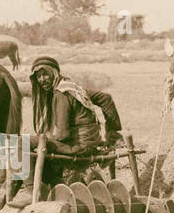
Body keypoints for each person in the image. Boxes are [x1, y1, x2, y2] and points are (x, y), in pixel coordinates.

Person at [28, 55, 115, 184]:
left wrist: (46, 142)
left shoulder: (60, 94)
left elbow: (63, 135)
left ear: (54, 72)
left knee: (21, 142)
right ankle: (54, 182)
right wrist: (113, 132)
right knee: (38, 141)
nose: (42, 80)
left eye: (45, 74)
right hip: (91, 144)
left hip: (77, 147)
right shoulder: (72, 87)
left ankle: (28, 188)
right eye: (38, 76)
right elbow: (106, 98)